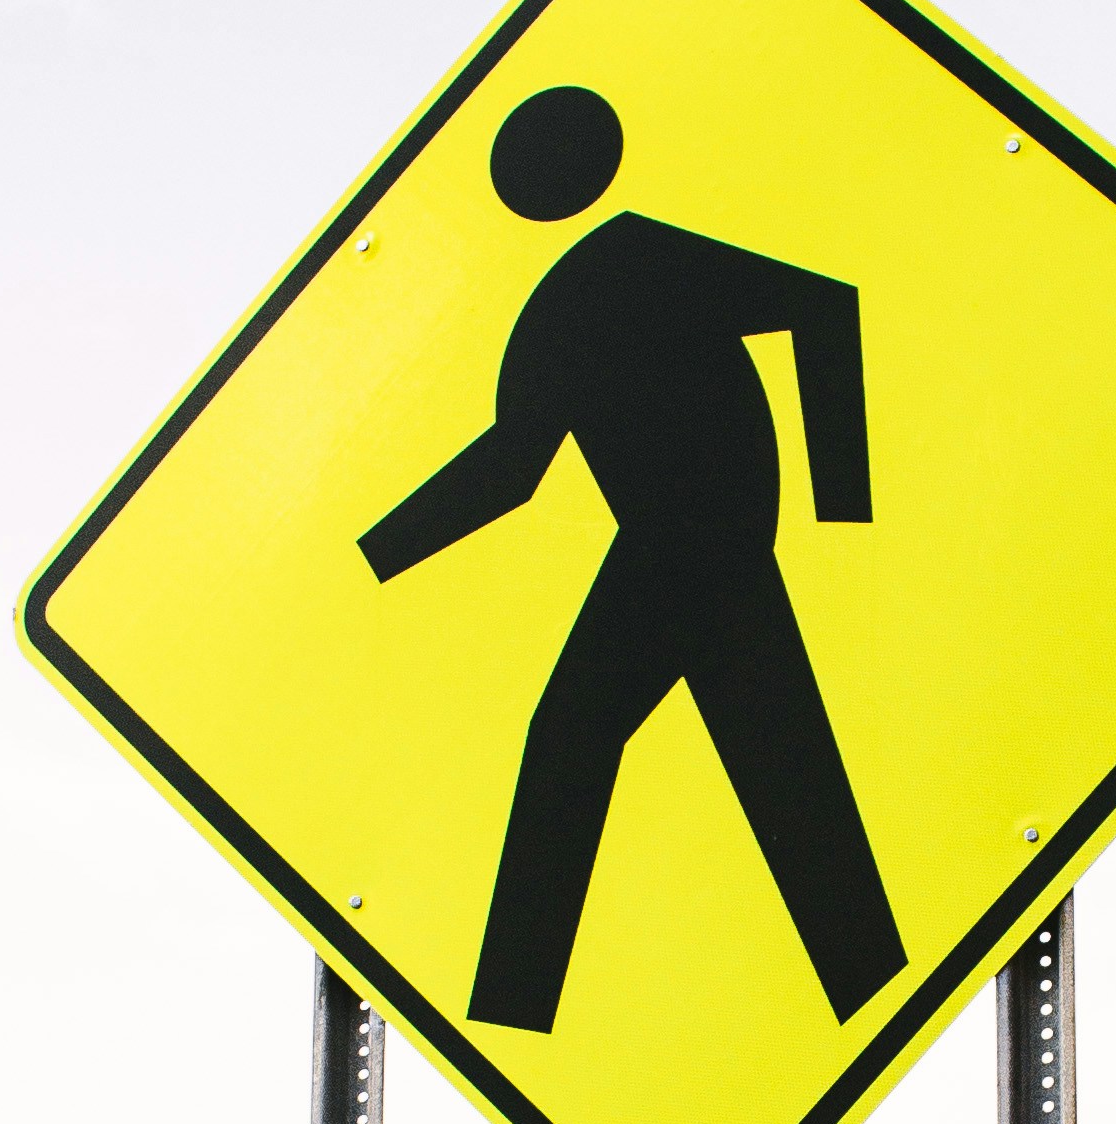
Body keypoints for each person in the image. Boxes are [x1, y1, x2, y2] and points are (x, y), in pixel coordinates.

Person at [362, 84, 908, 1032]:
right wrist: (381, 553)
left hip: (704, 540)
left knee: (596, 740)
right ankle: (863, 978)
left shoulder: (636, 259)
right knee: (769, 758)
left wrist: (845, 510)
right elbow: (514, 468)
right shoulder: (561, 308)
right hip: (674, 545)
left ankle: (515, 1007)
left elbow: (822, 309)